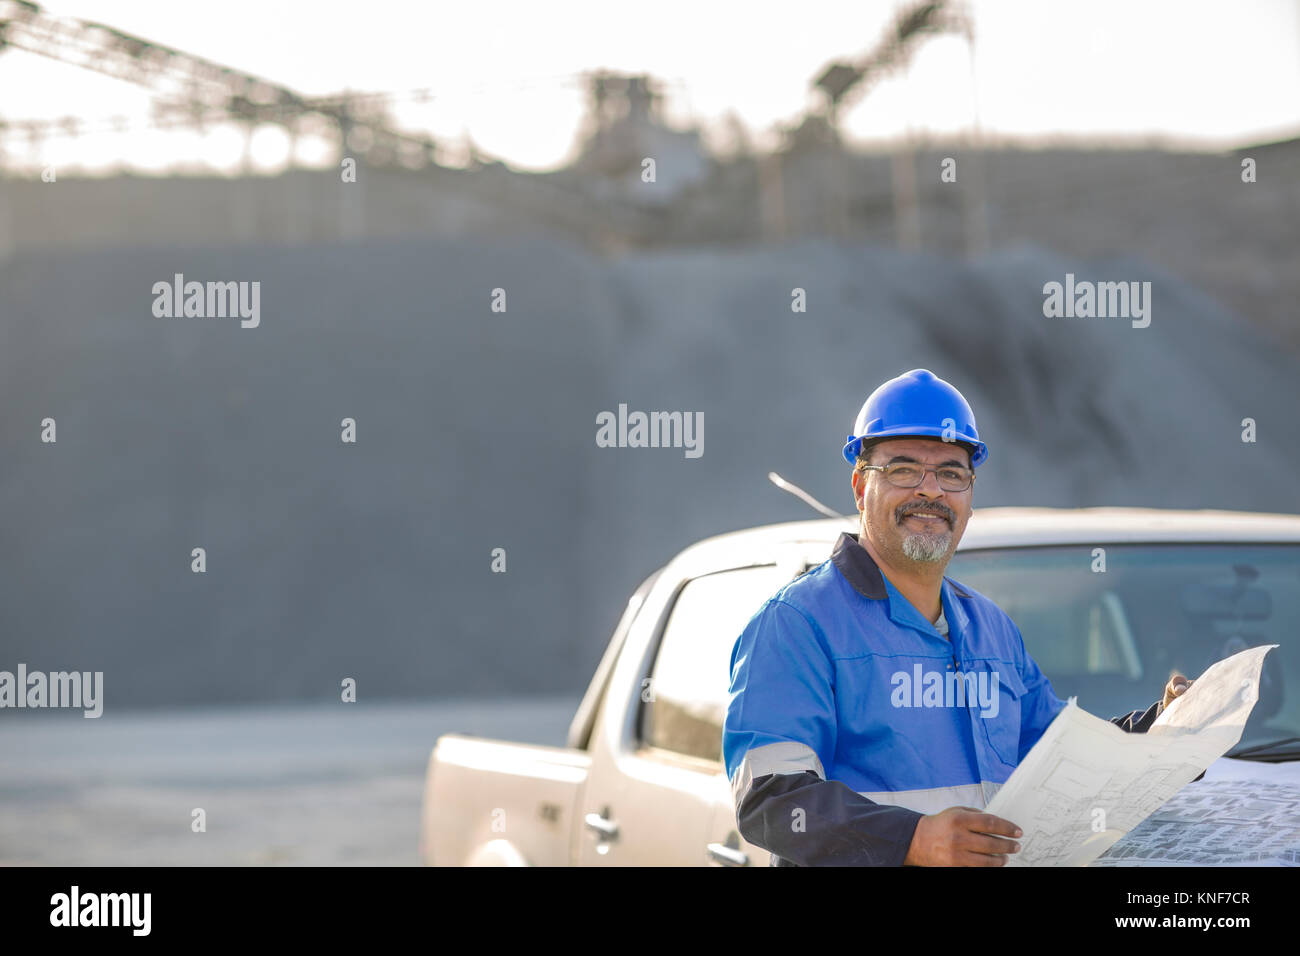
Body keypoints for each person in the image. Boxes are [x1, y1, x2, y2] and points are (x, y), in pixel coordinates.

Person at [722, 369, 1193, 867]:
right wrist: (911, 839)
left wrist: (1156, 732)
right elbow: (771, 800)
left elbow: (1058, 757)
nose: (931, 492)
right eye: (903, 470)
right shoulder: (797, 624)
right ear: (861, 486)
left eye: (951, 473)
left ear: (969, 493)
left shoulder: (989, 627)